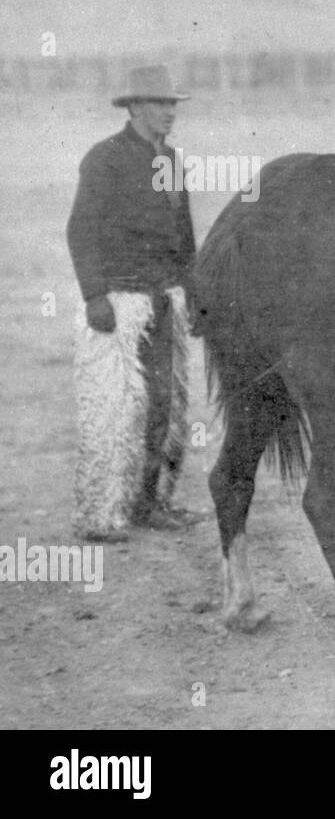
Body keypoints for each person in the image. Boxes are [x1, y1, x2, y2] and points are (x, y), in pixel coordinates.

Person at [66, 65, 197, 542]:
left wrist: (193, 293)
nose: (170, 112)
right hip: (117, 305)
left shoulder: (172, 161)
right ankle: (102, 514)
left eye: (173, 104)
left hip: (164, 301)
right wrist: (94, 295)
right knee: (117, 410)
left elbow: (184, 236)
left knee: (165, 405)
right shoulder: (103, 160)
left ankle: (150, 503)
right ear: (136, 107)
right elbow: (81, 229)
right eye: (161, 104)